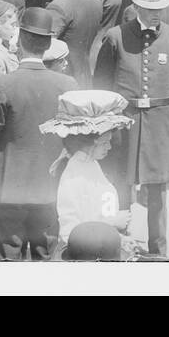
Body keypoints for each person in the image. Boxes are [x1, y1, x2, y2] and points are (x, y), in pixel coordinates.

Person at [94, 0, 169, 256]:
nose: (154, 14)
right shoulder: (116, 37)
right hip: (124, 121)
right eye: (149, 9)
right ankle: (114, 241)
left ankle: (157, 251)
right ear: (136, 7)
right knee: (118, 182)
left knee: (157, 189)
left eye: (159, 9)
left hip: (160, 122)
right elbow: (101, 82)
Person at [0, 6, 78, 260]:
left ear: (20, 41)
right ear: (48, 45)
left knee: (10, 252)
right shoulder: (67, 85)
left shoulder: (4, 84)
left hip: (11, 183)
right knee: (45, 251)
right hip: (50, 183)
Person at [40, 90, 135, 259]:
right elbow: (72, 228)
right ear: (90, 144)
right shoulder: (74, 174)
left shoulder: (91, 164)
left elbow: (95, 211)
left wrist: (118, 237)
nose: (109, 147)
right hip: (86, 253)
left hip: (101, 244)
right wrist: (112, 223)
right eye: (105, 143)